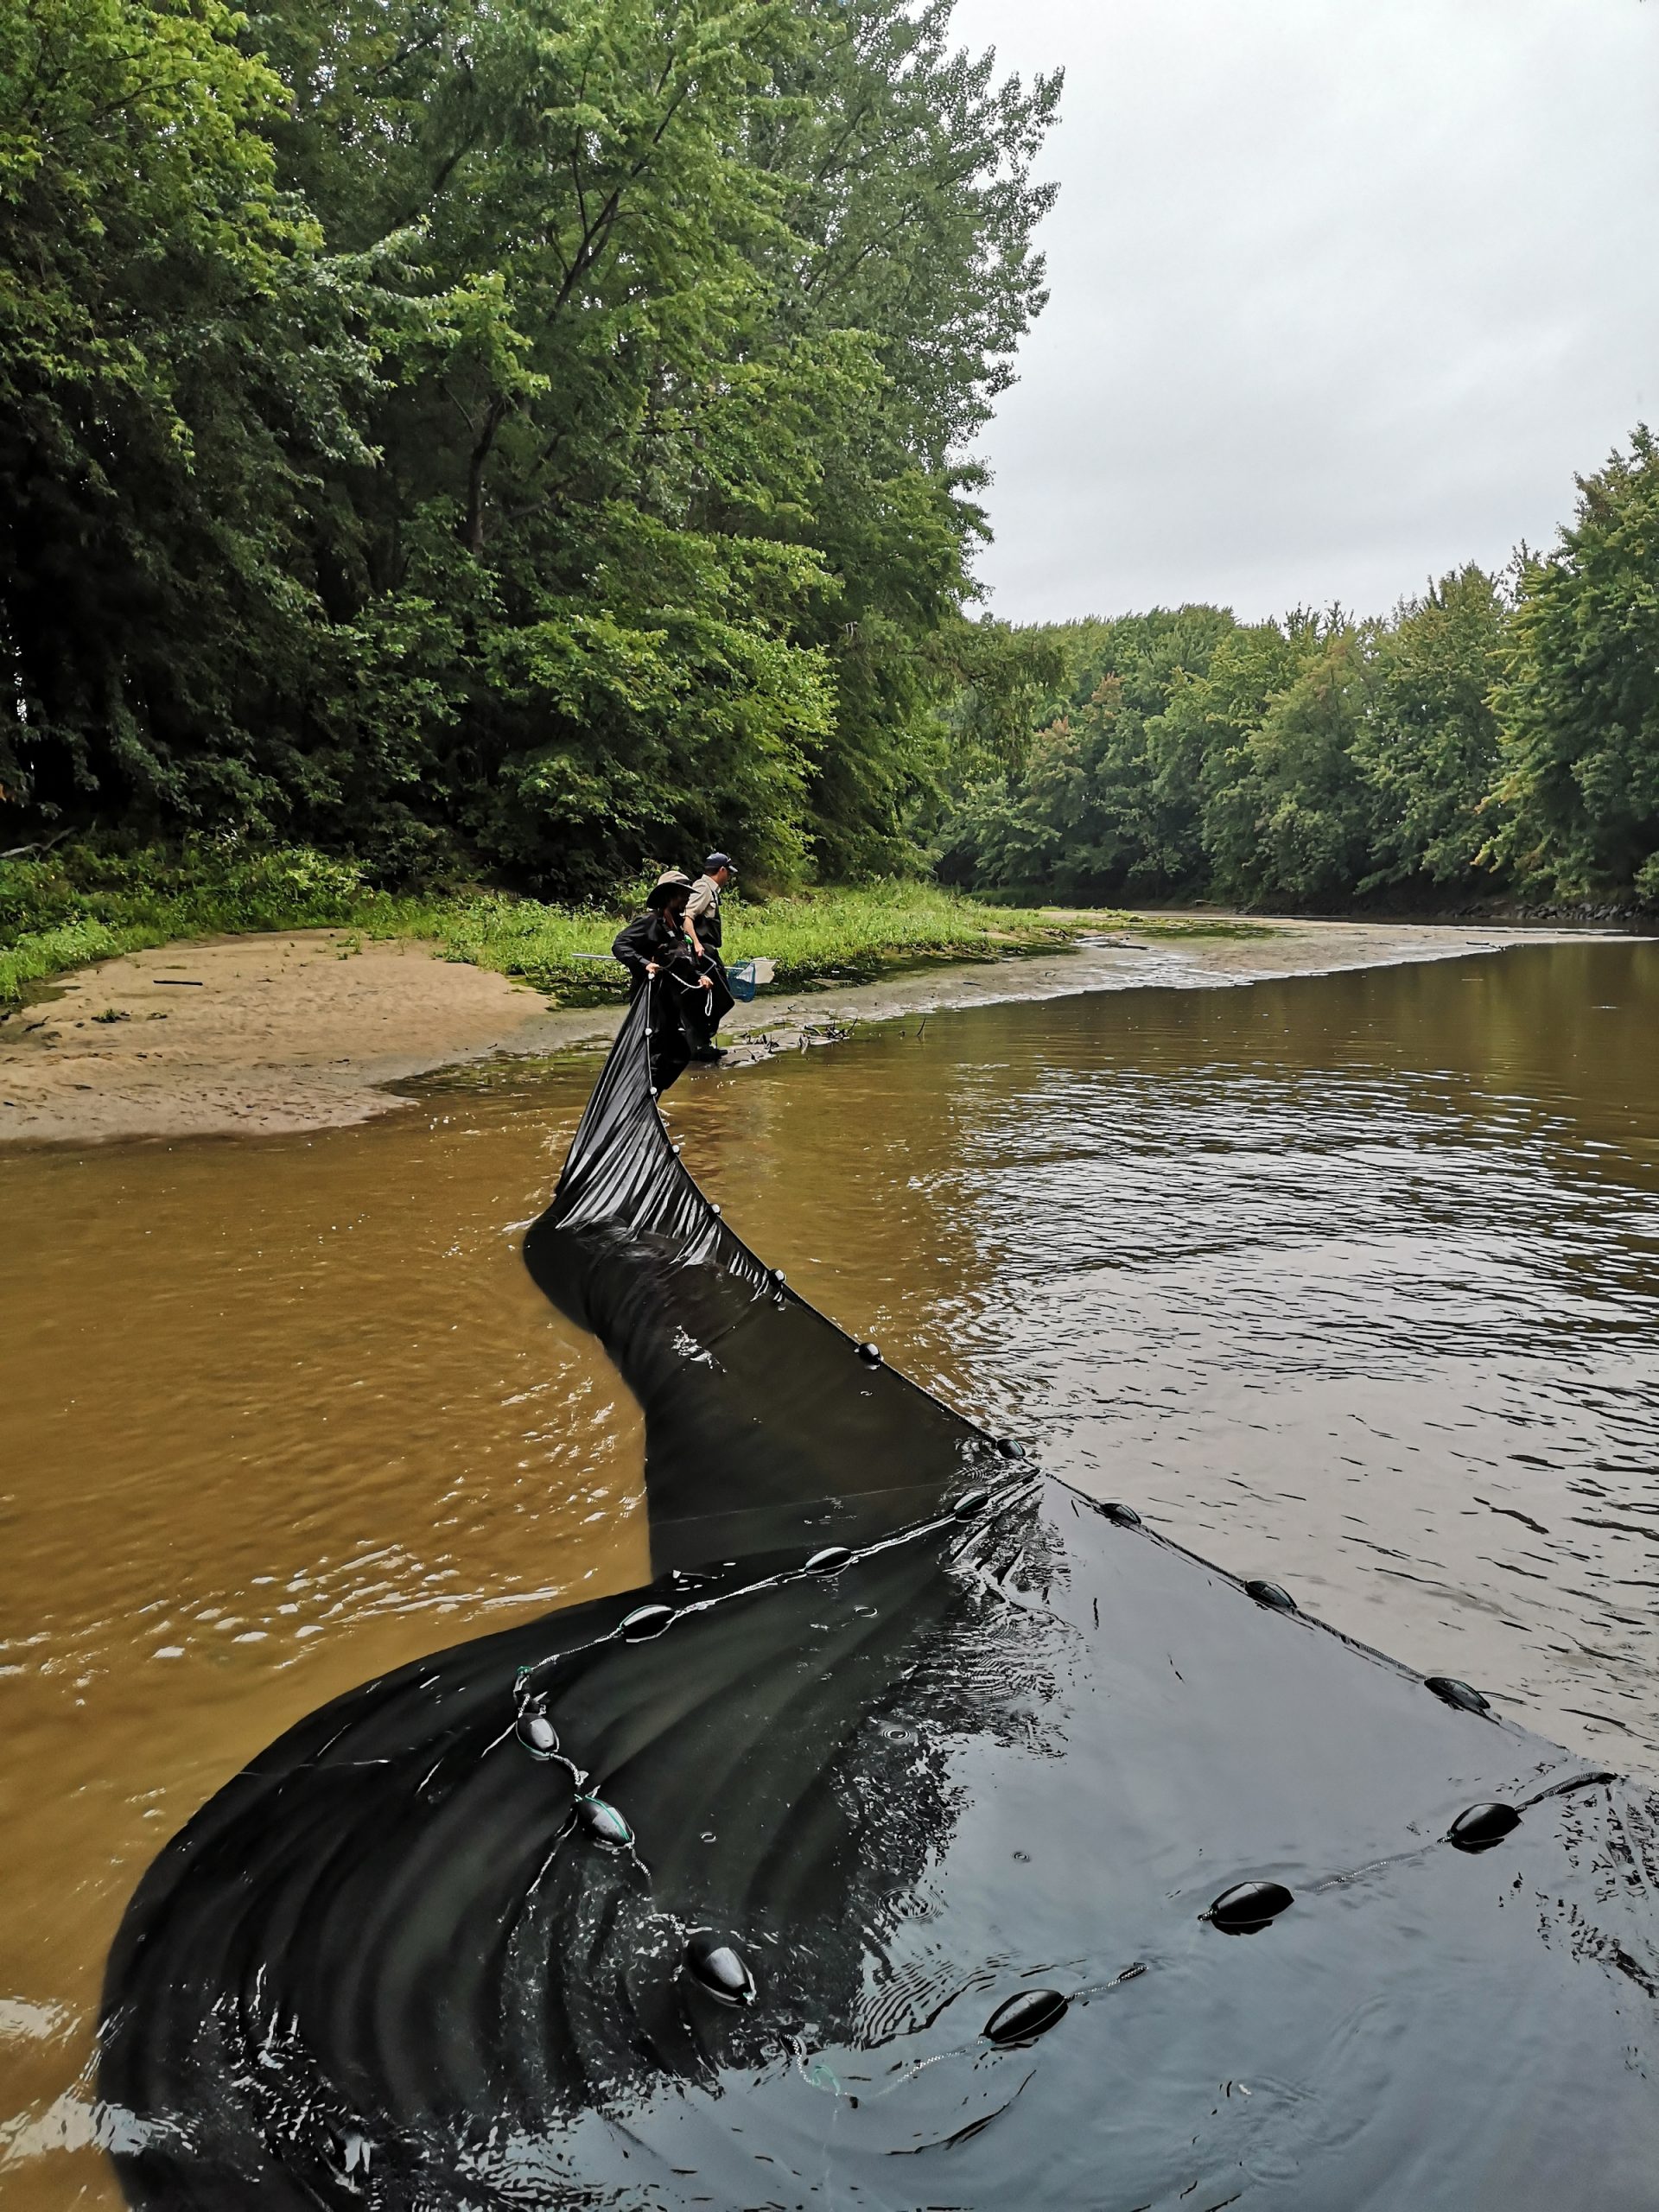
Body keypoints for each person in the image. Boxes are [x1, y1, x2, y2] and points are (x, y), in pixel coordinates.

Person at [610, 871, 729, 1090]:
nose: (687, 899)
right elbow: (620, 945)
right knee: (655, 1052)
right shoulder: (649, 922)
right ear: (669, 896)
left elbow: (681, 961)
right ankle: (641, 1098)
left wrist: (699, 977)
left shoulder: (675, 927)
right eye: (683, 894)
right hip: (651, 1001)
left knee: (680, 1053)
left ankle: (651, 1095)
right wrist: (644, 963)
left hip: (671, 1002)